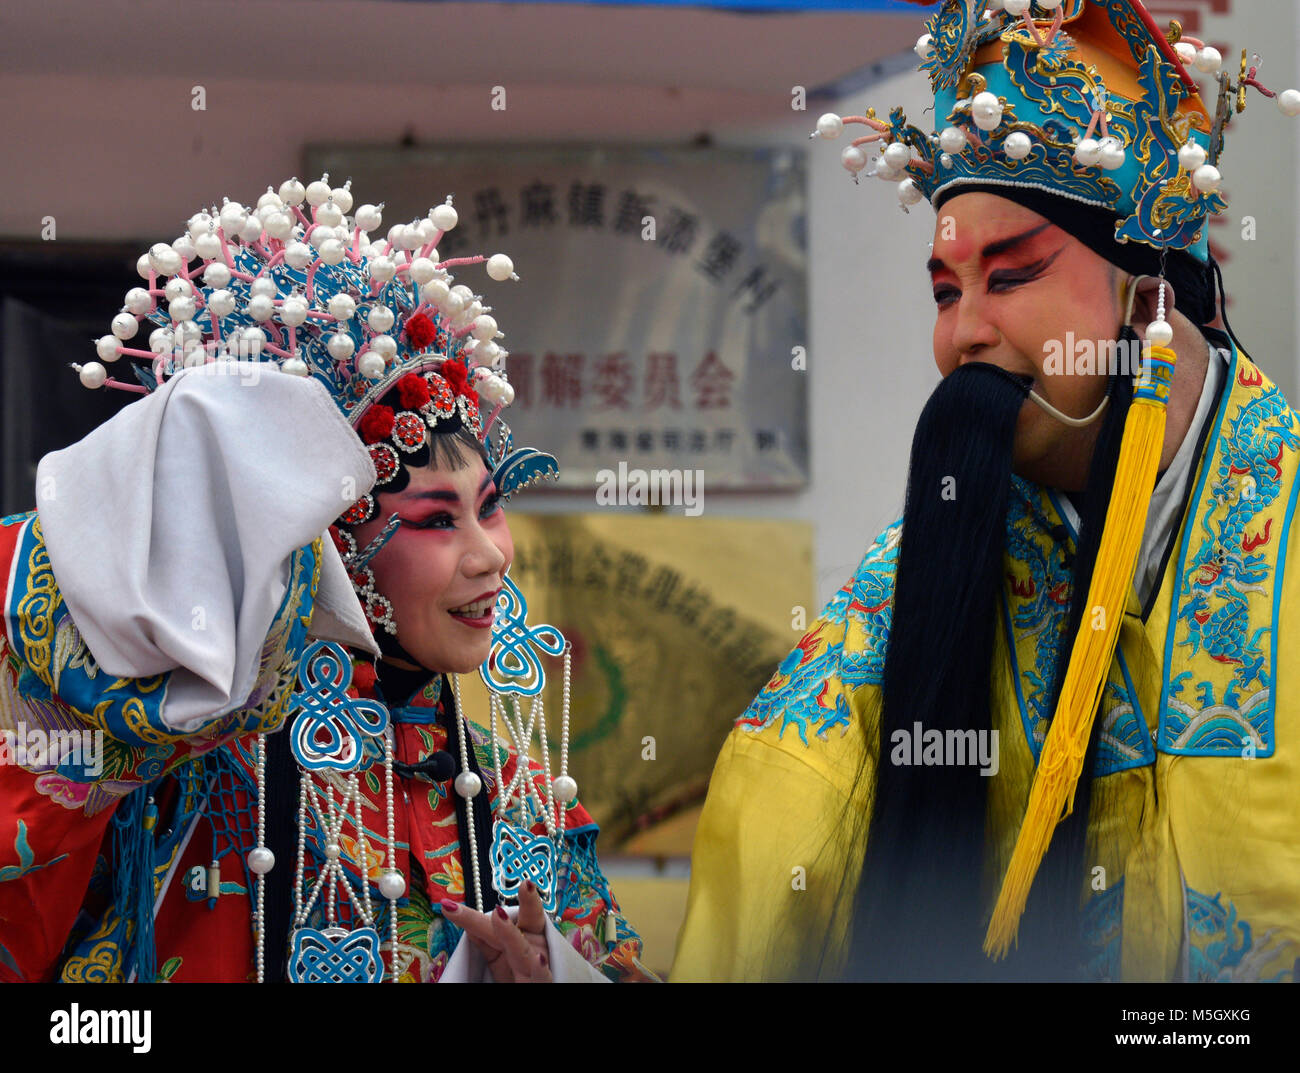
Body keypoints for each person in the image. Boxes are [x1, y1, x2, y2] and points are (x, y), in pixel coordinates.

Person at [673, 0, 1300, 983]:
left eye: (1009, 277)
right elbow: (773, 835)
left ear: (1149, 300)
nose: (962, 333)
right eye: (943, 290)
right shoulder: (923, 575)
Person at [0, 177, 653, 983]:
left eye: (490, 507)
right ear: (330, 547)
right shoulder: (187, 762)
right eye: (436, 520)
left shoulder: (527, 799)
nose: (489, 555)